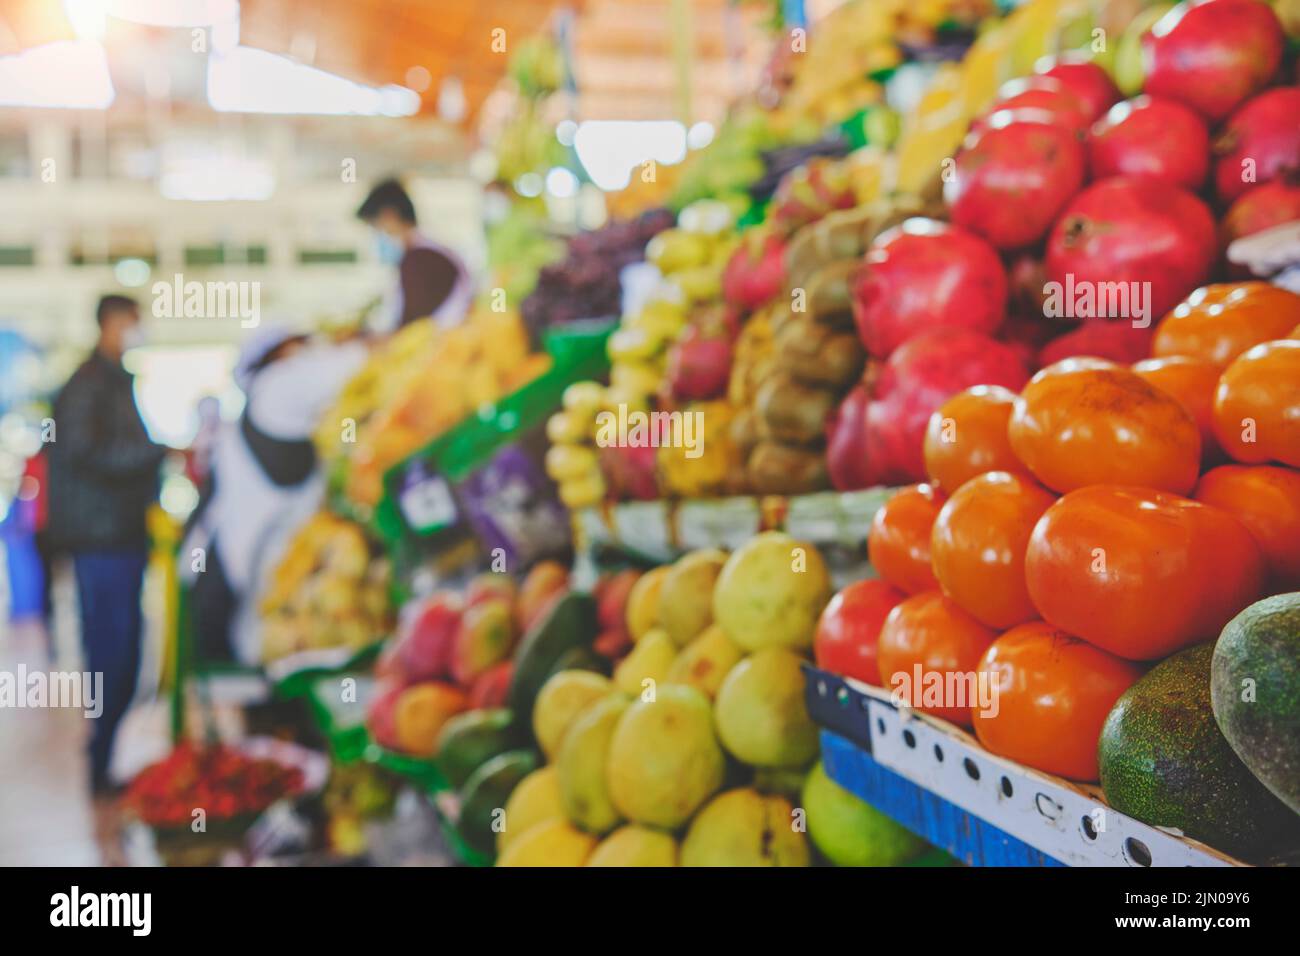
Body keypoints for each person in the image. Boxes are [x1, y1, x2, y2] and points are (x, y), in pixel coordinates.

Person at [183, 325, 368, 665]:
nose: (312, 354)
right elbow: (352, 365)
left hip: (247, 590)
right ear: (280, 354)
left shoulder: (268, 412)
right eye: (303, 346)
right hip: (233, 592)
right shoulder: (275, 389)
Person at [46, 294, 167, 796]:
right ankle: (99, 761)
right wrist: (156, 452)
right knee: (112, 651)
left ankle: (105, 756)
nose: (137, 331)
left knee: (127, 651)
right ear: (111, 323)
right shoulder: (87, 385)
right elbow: (85, 452)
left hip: (120, 534)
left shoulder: (113, 381)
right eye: (132, 323)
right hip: (102, 538)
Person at [356, 177, 474, 331]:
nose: (376, 235)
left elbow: (410, 326)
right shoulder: (425, 253)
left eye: (376, 227)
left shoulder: (421, 259)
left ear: (389, 216)